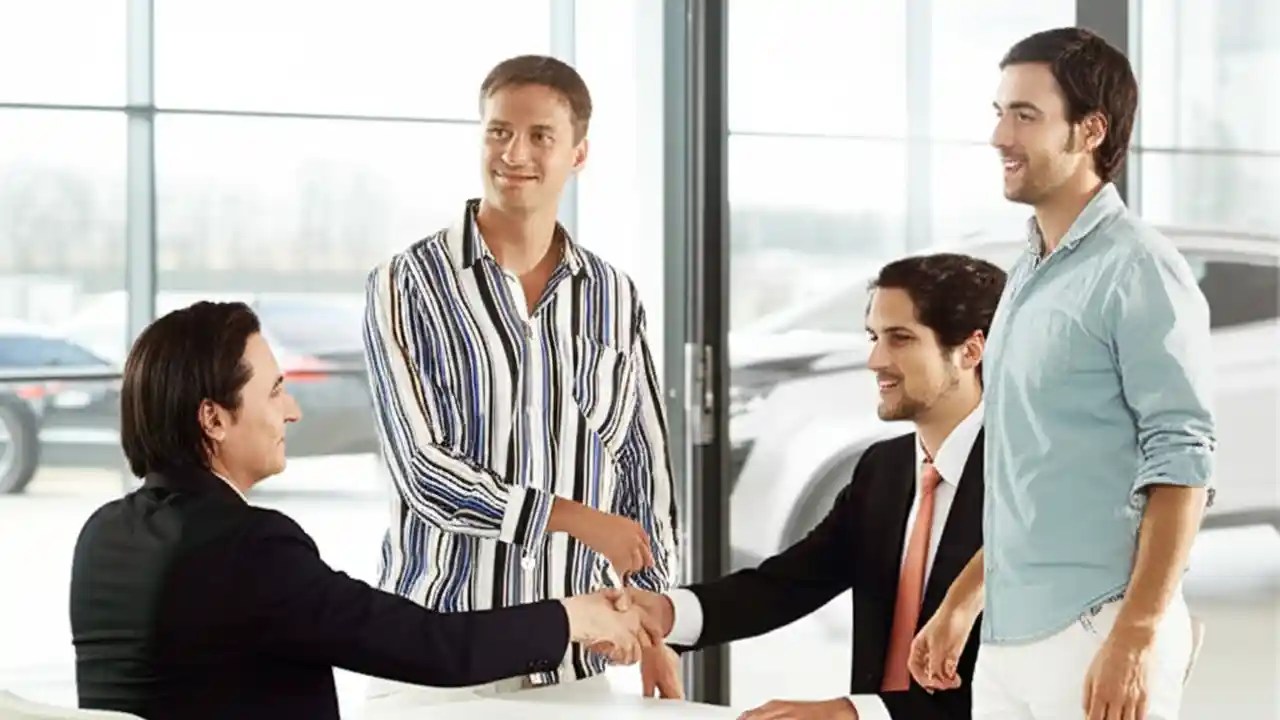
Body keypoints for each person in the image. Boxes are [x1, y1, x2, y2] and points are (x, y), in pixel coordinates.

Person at [69, 301, 655, 720]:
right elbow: (431, 645)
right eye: (274, 391)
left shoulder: (101, 537)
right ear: (213, 418)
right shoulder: (248, 546)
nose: (292, 410)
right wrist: (573, 617)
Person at [910, 28, 1215, 720]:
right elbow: (1036, 475)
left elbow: (1184, 465)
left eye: (1025, 115)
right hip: (1012, 641)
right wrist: (962, 602)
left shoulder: (1139, 270)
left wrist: (1135, 636)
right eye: (998, 112)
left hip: (1099, 628)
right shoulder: (1029, 272)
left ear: (1090, 130)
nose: (998, 136)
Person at [361, 54, 681, 707]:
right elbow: (422, 473)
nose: (515, 152)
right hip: (437, 654)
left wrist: (656, 635)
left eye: (541, 136)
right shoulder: (406, 283)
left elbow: (645, 476)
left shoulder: (615, 297)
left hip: (573, 671)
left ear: (578, 154)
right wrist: (574, 519)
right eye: (499, 131)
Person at [623, 254, 1007, 719]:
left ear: (971, 350)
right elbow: (788, 584)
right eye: (874, 338)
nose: (875, 361)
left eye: (900, 339)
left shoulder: (1025, 486)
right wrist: (664, 612)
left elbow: (1013, 692)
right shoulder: (882, 470)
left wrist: (850, 713)